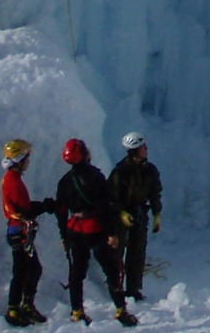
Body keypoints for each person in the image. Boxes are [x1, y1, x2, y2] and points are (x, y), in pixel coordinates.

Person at [53, 138, 138, 327]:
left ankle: (77, 311)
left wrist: (63, 236)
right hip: (96, 229)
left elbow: (61, 211)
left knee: (76, 272)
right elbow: (104, 207)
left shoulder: (65, 181)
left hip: (75, 229)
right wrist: (112, 233)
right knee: (111, 270)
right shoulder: (95, 177)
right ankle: (120, 309)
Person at [0, 139, 57, 325]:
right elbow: (24, 210)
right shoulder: (13, 181)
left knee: (26, 269)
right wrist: (43, 206)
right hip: (20, 231)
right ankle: (18, 308)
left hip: (18, 230)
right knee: (27, 270)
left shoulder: (12, 179)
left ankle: (20, 306)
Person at [106, 132, 164, 302]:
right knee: (118, 253)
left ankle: (133, 289)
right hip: (122, 215)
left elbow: (155, 193)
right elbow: (111, 197)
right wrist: (120, 213)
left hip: (139, 214)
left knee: (137, 252)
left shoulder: (150, 169)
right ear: (136, 150)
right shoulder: (120, 171)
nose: (146, 149)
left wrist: (156, 213)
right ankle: (115, 287)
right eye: (143, 147)